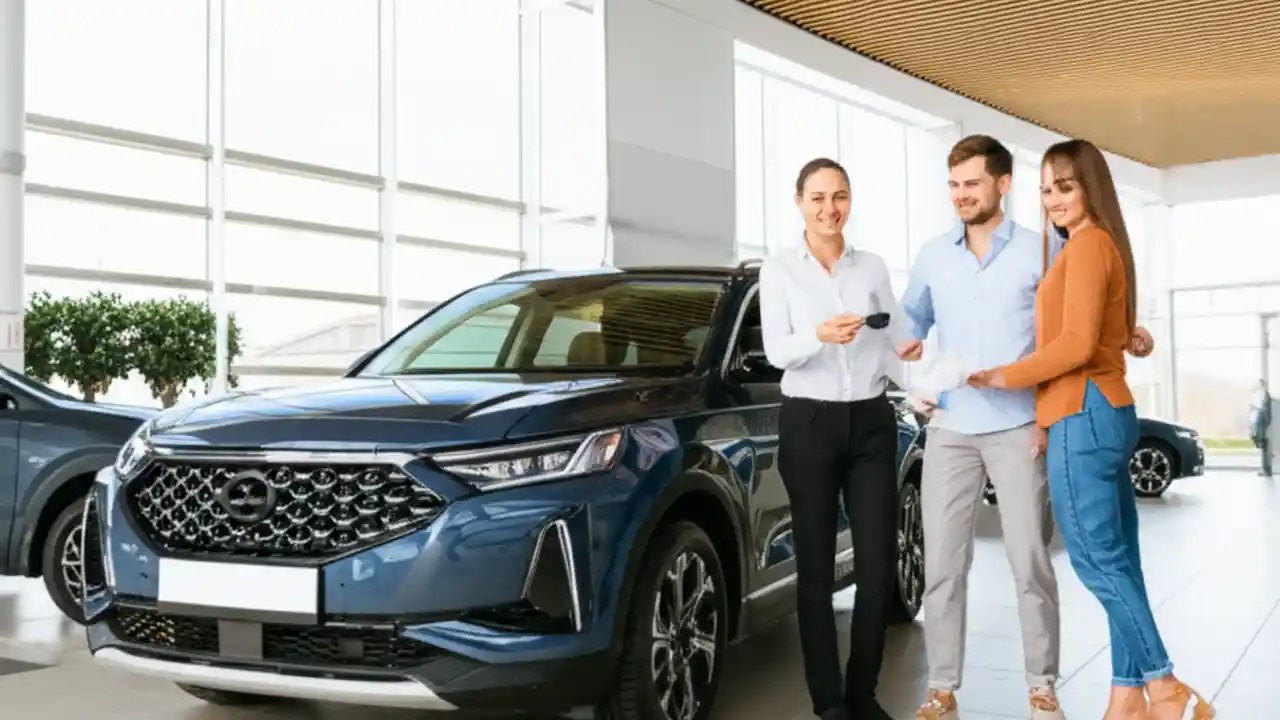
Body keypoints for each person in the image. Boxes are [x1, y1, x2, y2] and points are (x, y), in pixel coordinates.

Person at [968, 139, 1215, 720]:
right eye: (1047, 188)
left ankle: (1164, 685)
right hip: (1104, 411)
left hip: (1084, 415)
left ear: (1090, 189)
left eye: (1066, 186)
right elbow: (1101, 332)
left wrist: (1005, 376)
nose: (1053, 199)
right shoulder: (1098, 246)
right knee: (1119, 563)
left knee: (1096, 563)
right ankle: (1127, 694)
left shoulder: (1084, 249)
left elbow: (1073, 346)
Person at [898, 135, 1067, 720]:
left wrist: (1047, 418)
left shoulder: (1043, 249)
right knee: (944, 563)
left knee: (1030, 561)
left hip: (1020, 425)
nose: (961, 195)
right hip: (949, 428)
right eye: (953, 185)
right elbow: (908, 325)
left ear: (1002, 184)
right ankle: (942, 687)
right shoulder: (932, 255)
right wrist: (913, 372)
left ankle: (1041, 684)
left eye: (971, 183)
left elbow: (1062, 337)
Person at [759, 157, 914, 720]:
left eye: (840, 196)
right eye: (819, 197)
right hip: (810, 423)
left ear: (851, 200)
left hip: (871, 422)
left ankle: (862, 695)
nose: (830, 208)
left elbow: (893, 338)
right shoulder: (778, 270)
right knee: (816, 574)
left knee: (877, 569)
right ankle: (829, 704)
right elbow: (777, 350)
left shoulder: (870, 268)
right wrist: (818, 335)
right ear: (799, 201)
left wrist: (927, 383)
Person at [1249, 379, 1272, 476]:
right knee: (1263, 448)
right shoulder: (1264, 396)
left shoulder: (1266, 396)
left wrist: (1257, 409)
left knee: (1264, 449)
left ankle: (1266, 469)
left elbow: (1266, 413)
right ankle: (1265, 469)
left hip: (1263, 428)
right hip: (1261, 427)